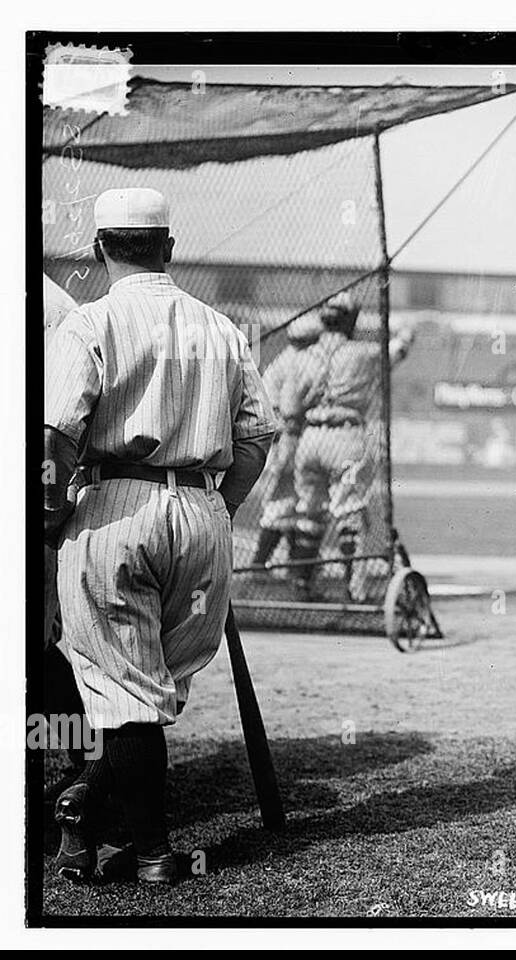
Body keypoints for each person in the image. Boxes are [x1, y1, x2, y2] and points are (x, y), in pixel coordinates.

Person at [44, 187, 280, 884]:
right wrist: (216, 509)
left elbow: (55, 438)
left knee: (124, 694)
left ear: (98, 250)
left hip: (115, 503)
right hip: (202, 515)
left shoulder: (89, 322)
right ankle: (95, 810)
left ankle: (148, 851)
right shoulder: (220, 324)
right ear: (169, 248)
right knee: (146, 694)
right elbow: (259, 434)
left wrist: (52, 525)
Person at [289, 295, 410, 600]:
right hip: (345, 435)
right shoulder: (361, 353)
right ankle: (354, 590)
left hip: (310, 438)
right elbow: (398, 351)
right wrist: (407, 332)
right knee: (350, 514)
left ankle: (302, 585)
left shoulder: (305, 355)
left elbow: (290, 407)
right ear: (350, 320)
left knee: (308, 513)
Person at [41, 274, 91, 802]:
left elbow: (57, 441)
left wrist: (49, 575)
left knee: (34, 645)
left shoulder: (55, 309)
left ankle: (93, 767)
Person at [250, 312, 322, 568]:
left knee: (290, 503)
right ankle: (261, 564)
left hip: (283, 438)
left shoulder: (283, 360)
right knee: (283, 503)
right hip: (287, 439)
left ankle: (293, 563)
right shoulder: (301, 362)